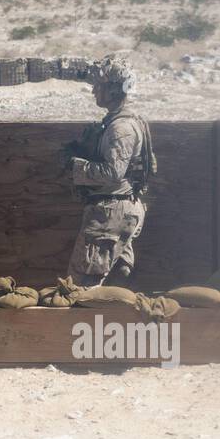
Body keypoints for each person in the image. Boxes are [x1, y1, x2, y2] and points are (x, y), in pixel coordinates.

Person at [64, 55, 157, 287]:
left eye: (100, 86)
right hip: (117, 209)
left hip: (110, 213)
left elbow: (112, 172)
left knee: (79, 288)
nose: (94, 91)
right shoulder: (120, 121)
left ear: (115, 90)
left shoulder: (121, 127)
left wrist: (75, 165)